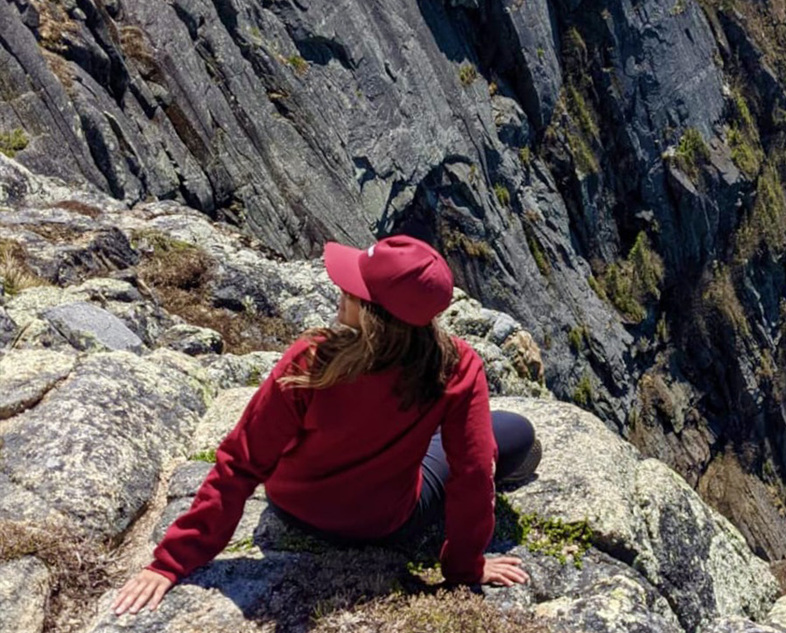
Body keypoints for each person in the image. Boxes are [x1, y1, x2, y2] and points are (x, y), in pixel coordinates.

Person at [112, 234, 540, 616]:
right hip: (383, 524)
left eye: (351, 289)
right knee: (514, 433)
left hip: (293, 506)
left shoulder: (313, 359)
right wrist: (466, 567)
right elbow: (473, 473)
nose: (341, 290)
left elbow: (240, 463)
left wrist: (171, 561)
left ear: (372, 314)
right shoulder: (457, 367)